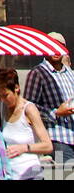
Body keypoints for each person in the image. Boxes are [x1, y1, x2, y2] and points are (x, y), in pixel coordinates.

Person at [0, 67, 52, 180]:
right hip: (8, 175)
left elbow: (48, 146)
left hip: (30, 175)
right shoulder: (3, 107)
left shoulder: (29, 109)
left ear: (16, 88)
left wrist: (24, 148)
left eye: (5, 95)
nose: (2, 100)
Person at [23, 32, 74, 169]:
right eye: (52, 45)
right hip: (57, 139)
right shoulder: (38, 73)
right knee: (64, 175)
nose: (56, 50)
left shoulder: (69, 72)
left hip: (72, 134)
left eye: (60, 46)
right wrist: (56, 112)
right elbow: (27, 105)